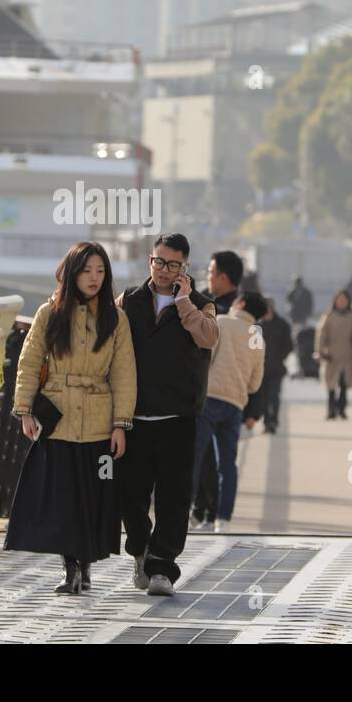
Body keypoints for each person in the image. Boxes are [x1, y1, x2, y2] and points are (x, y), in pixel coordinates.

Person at [6, 241, 137, 594]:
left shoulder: (116, 318)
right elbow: (29, 362)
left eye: (100, 271)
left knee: (93, 495)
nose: (94, 278)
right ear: (72, 274)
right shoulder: (50, 314)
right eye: (86, 271)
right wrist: (24, 410)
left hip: (98, 420)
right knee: (62, 498)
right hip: (58, 418)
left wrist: (120, 424)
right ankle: (70, 568)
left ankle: (86, 565)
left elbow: (124, 373)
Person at [117, 233, 220, 596]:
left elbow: (208, 338)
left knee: (174, 499)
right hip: (134, 417)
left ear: (184, 268)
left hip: (179, 417)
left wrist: (183, 302)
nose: (163, 270)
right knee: (131, 496)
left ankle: (162, 567)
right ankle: (141, 551)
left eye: (172, 265)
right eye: (158, 262)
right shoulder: (129, 300)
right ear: (150, 261)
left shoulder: (202, 305)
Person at [193, 292, 266, 532]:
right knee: (228, 464)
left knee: (195, 456)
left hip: (210, 398)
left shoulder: (221, 322)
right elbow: (256, 384)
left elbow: (206, 358)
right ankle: (223, 519)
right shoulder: (257, 337)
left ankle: (185, 509)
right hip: (235, 403)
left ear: (241, 303)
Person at [191, 250, 243, 530]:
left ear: (223, 277)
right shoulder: (244, 313)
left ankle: (207, 512)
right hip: (231, 397)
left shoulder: (225, 313)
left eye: (211, 273)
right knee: (220, 460)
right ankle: (211, 514)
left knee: (203, 456)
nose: (208, 278)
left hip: (211, 393)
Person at [249, 297, 292, 434]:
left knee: (275, 396)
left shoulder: (283, 325)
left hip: (277, 368)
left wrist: (281, 357)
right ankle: (267, 422)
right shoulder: (257, 326)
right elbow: (252, 347)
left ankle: (273, 420)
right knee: (264, 398)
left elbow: (289, 345)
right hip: (261, 369)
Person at [316, 290, 352, 420]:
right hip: (331, 354)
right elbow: (321, 334)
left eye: (344, 299)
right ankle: (331, 410)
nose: (342, 302)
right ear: (335, 301)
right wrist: (320, 351)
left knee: (344, 384)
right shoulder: (329, 316)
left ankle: (342, 409)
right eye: (339, 299)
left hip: (346, 354)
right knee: (331, 384)